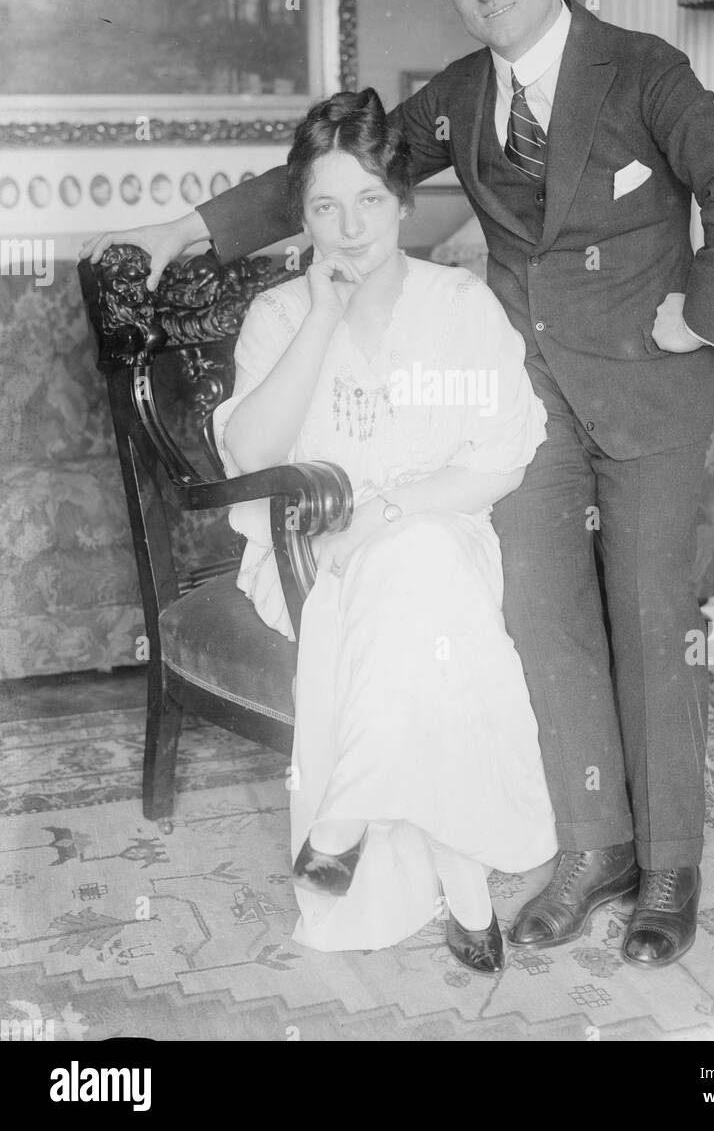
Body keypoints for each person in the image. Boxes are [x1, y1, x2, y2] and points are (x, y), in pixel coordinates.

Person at [83, 0, 714, 969]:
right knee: (543, 619)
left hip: (650, 399)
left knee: (654, 624)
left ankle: (668, 873)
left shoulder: (643, 70)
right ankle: (595, 846)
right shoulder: (464, 95)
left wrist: (701, 318)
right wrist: (192, 225)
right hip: (537, 410)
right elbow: (339, 173)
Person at [211, 86, 557, 970]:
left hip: (436, 539)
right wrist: (321, 320)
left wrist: (385, 514)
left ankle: (341, 820)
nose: (352, 228)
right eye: (326, 206)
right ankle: (466, 888)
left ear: (403, 203)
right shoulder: (280, 317)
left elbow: (503, 459)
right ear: (304, 217)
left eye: (370, 200)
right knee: (426, 596)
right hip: (310, 562)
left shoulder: (459, 305)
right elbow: (246, 457)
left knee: (423, 567)